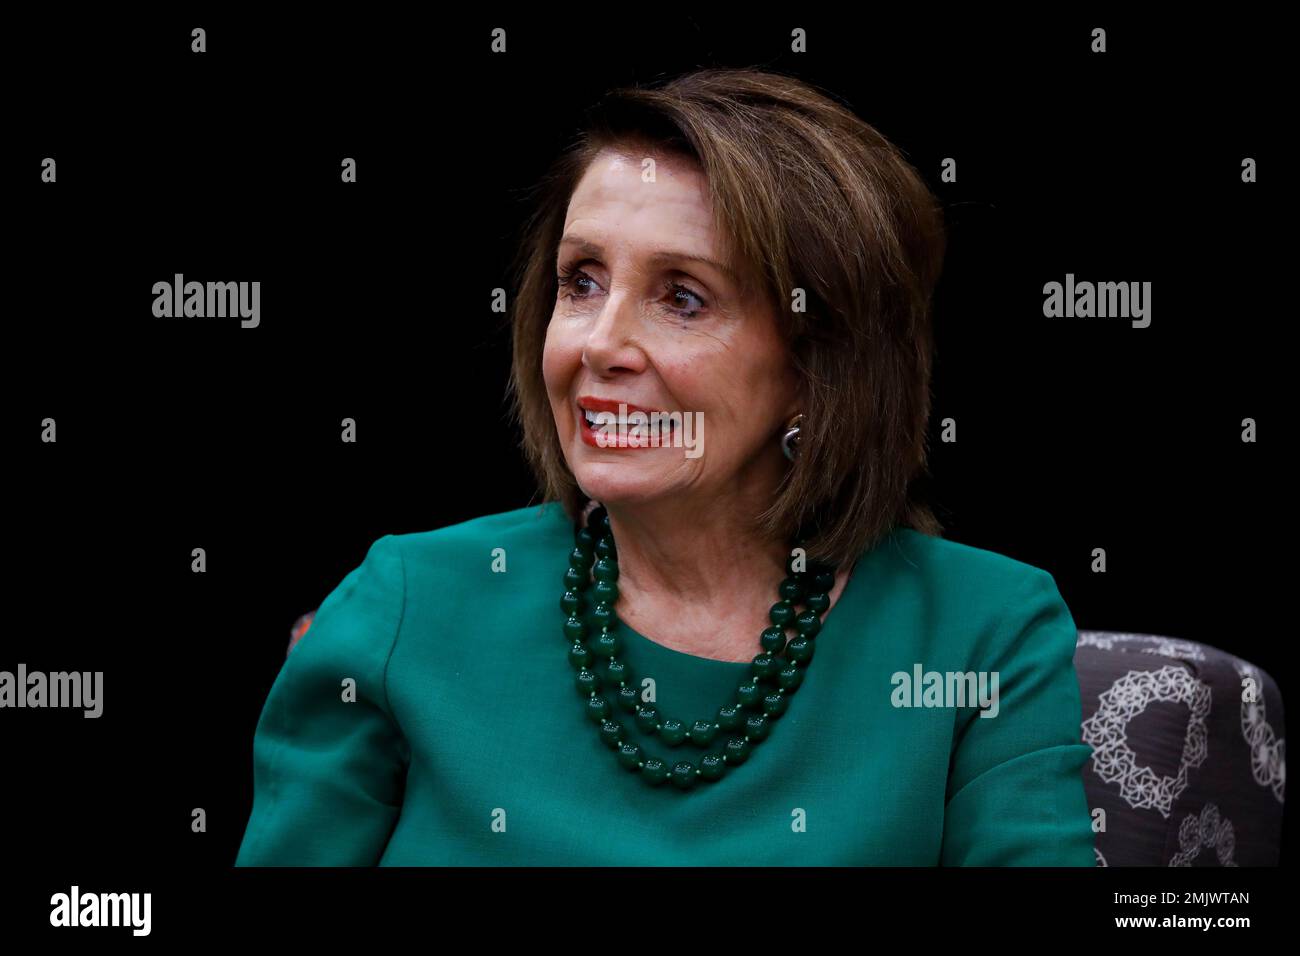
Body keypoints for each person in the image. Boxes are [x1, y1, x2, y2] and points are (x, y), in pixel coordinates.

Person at [234, 67, 1096, 866]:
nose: (599, 344)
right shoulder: (407, 601)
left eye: (683, 297)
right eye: (581, 282)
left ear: (817, 365)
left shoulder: (985, 627)